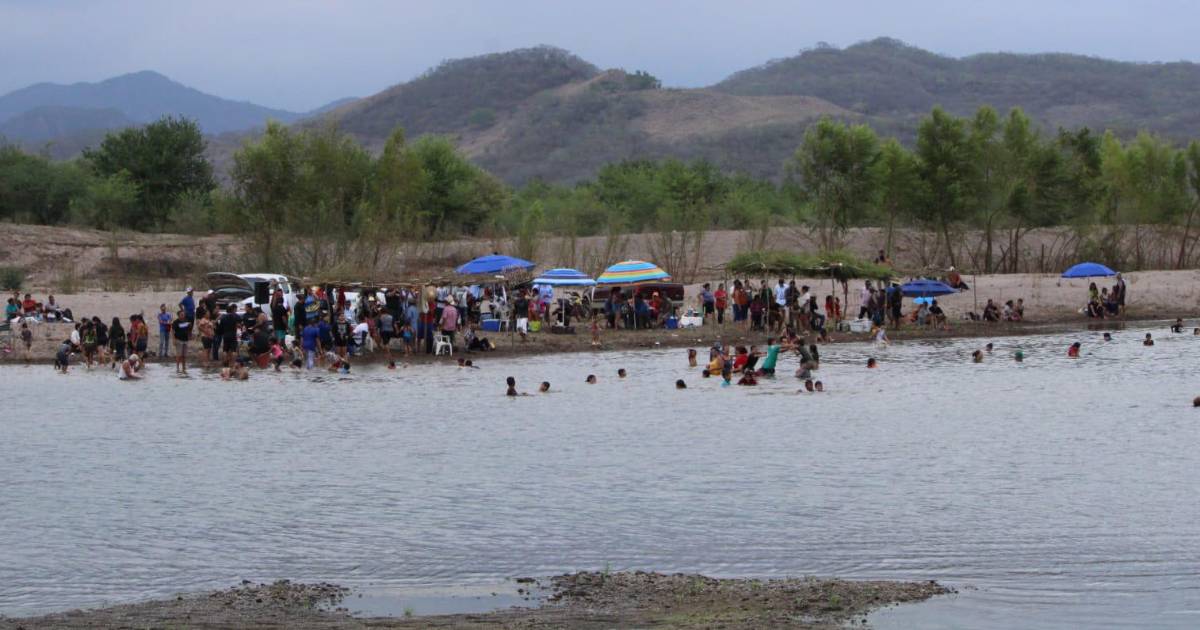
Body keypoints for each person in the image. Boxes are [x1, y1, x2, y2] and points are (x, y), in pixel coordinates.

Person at [172, 308, 191, 373]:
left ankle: (184, 367)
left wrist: (189, 335)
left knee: (184, 355)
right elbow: (172, 331)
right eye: (181, 314)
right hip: (178, 339)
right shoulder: (176, 322)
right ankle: (177, 367)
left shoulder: (186, 321)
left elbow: (188, 330)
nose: (183, 315)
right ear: (178, 315)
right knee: (179, 354)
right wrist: (173, 339)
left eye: (183, 314)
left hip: (185, 339)